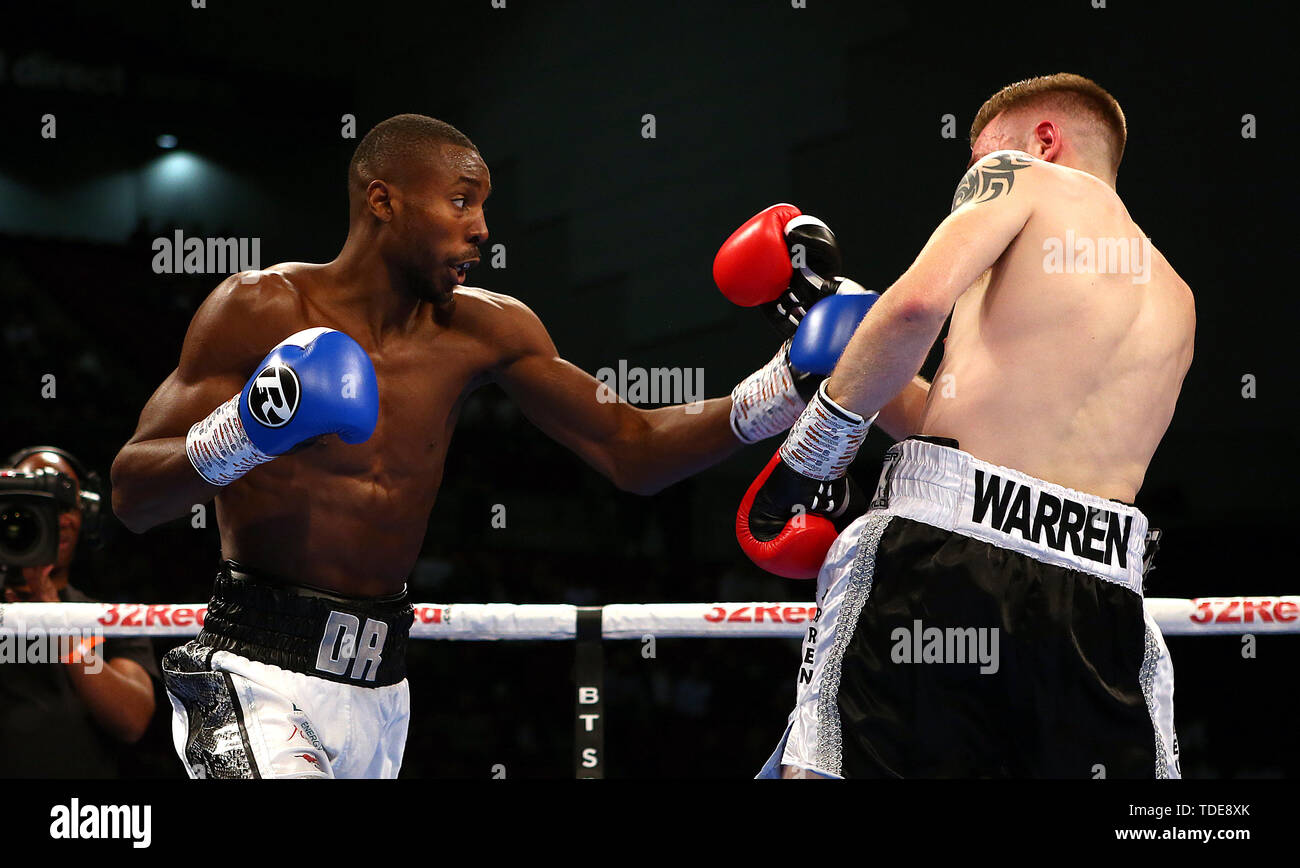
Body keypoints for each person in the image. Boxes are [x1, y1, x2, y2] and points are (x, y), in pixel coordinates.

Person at [110, 114, 865, 778]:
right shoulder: (259, 307)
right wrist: (249, 427)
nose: (482, 229)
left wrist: (787, 383)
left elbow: (632, 448)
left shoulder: (487, 328)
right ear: (383, 201)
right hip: (254, 668)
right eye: (462, 201)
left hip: (382, 691)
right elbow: (131, 495)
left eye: (483, 206)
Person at [739, 73, 1192, 778]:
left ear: (1043, 140)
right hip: (1100, 603)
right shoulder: (1175, 295)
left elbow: (915, 308)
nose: (974, 180)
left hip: (941, 566)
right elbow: (976, 430)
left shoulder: (1020, 177)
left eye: (978, 159)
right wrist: (841, 326)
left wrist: (813, 453)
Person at [0, 446, 158, 778]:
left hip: (78, 819)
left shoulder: (112, 619)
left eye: (62, 504)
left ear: (84, 516)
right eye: (31, 503)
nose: (51, 518)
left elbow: (132, 719)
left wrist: (54, 619)